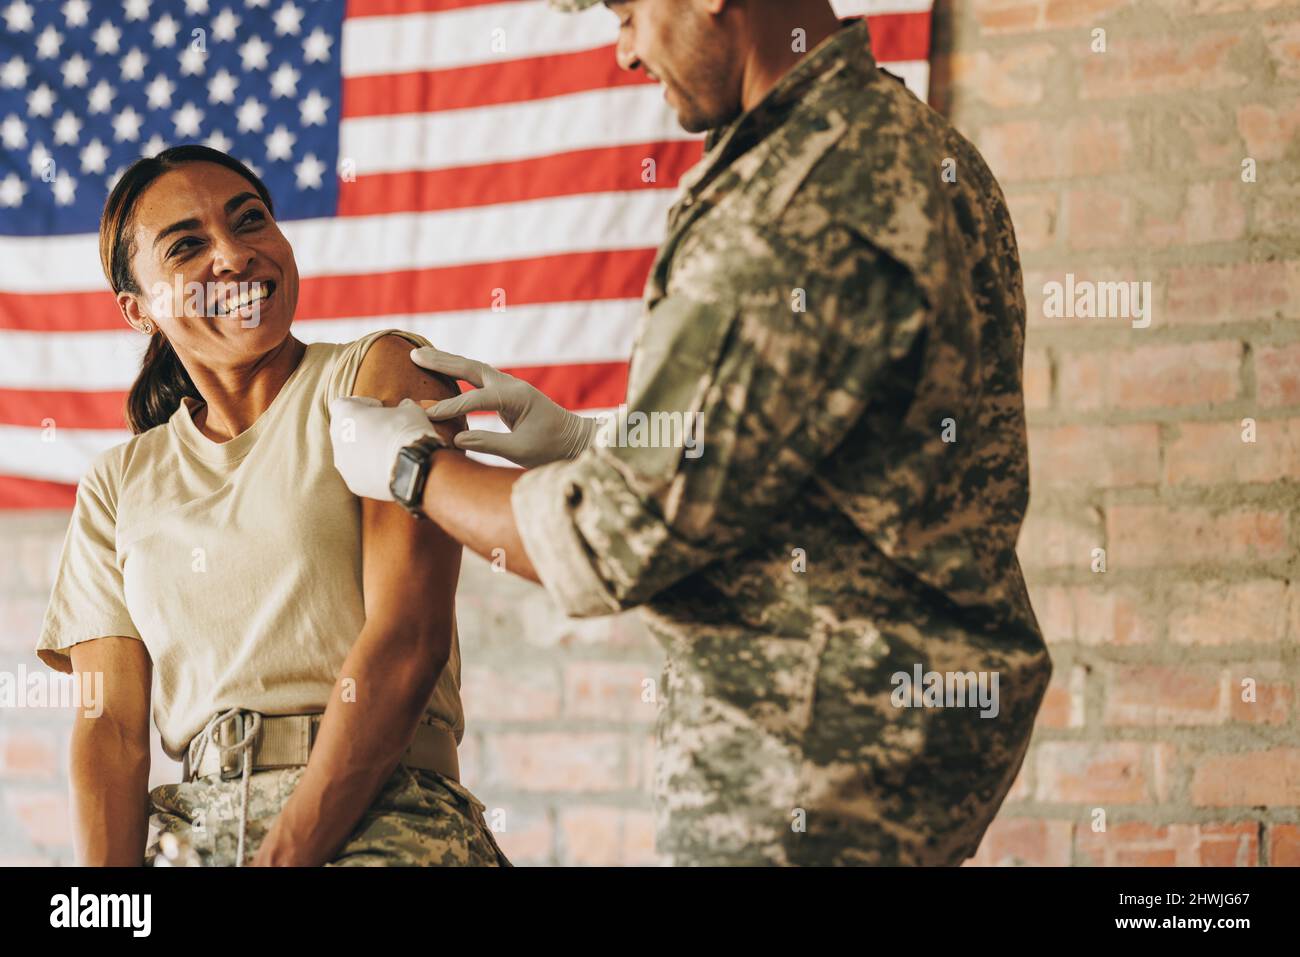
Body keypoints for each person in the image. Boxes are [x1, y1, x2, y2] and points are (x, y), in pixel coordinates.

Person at [330, 0, 1053, 865]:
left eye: (629, 11)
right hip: (898, 752)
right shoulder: (919, 148)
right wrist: (583, 446)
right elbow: (804, 461)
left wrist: (415, 468)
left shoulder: (791, 198)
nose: (628, 51)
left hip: (810, 768)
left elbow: (614, 542)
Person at [34, 145, 509, 867]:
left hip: (388, 818)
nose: (233, 254)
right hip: (192, 835)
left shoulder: (379, 373)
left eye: (250, 221)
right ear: (138, 309)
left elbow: (409, 640)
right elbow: (111, 726)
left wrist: (280, 860)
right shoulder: (119, 480)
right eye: (188, 244)